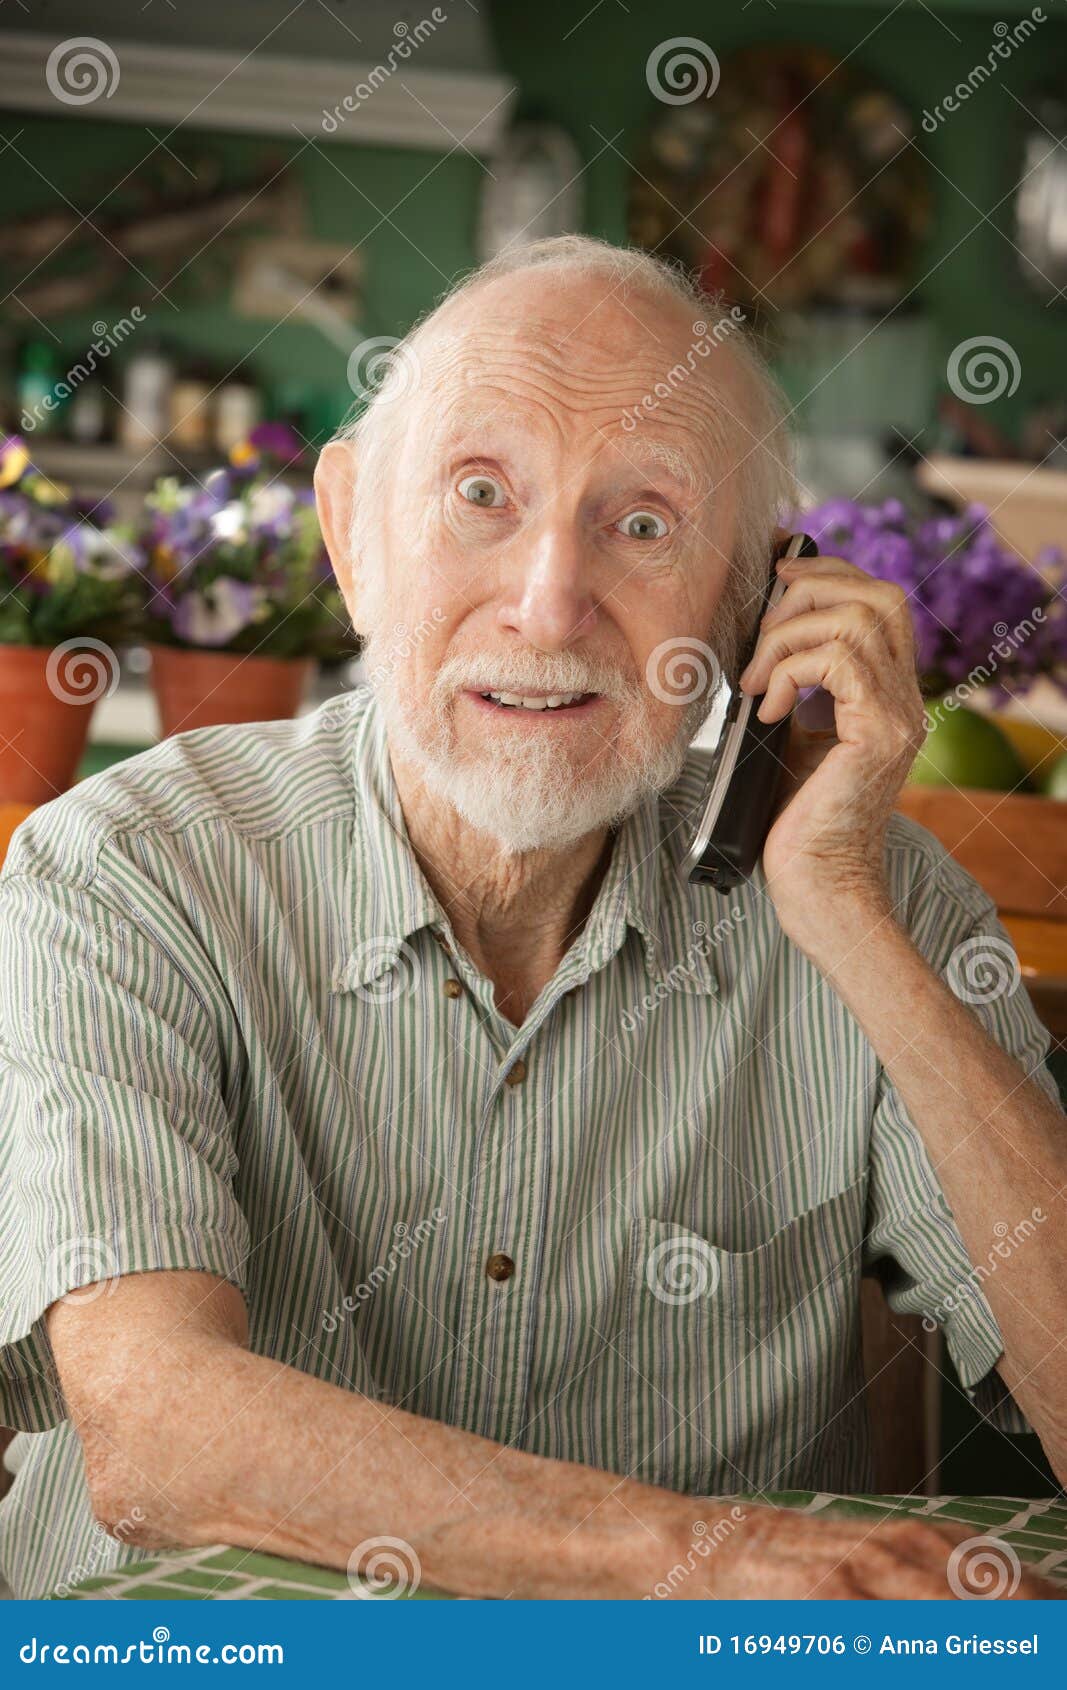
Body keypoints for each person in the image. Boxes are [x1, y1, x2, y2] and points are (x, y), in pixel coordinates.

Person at [0, 237, 1063, 1602]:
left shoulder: (877, 896)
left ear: (758, 602)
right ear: (353, 536)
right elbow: (158, 1430)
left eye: (646, 523)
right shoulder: (125, 871)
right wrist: (706, 1558)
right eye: (480, 495)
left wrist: (851, 917)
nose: (550, 606)